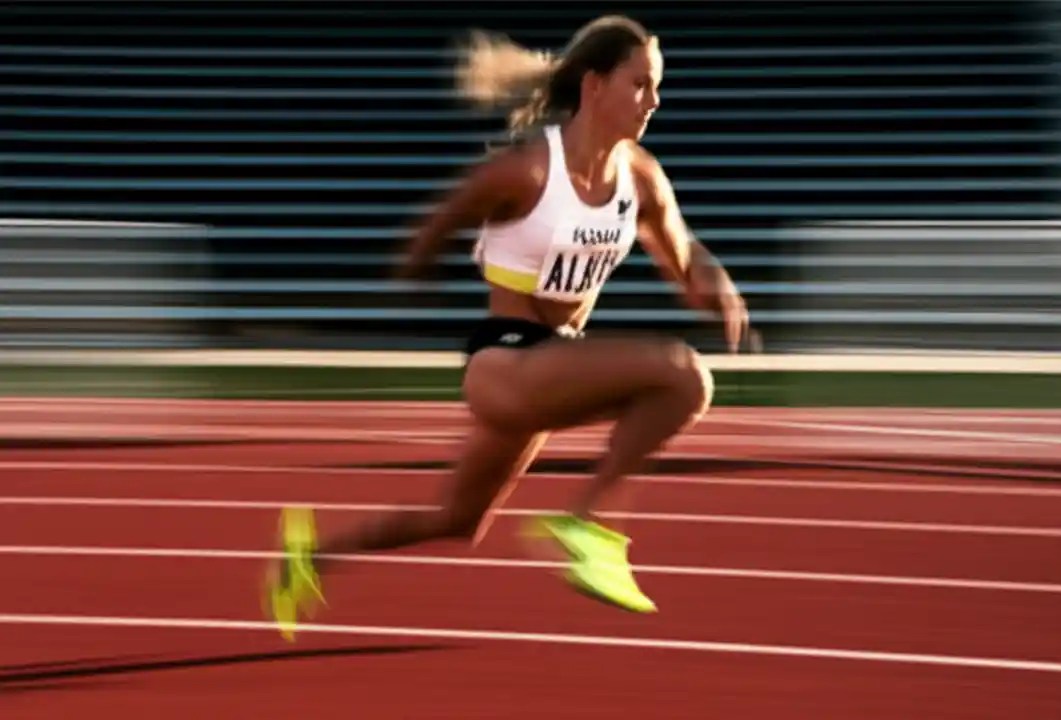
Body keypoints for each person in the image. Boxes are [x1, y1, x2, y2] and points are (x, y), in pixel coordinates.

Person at [265, 14, 751, 639]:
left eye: (658, 88)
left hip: (556, 364)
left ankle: (309, 556)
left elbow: (685, 260)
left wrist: (720, 290)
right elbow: (445, 216)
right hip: (507, 362)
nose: (654, 101)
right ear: (595, 85)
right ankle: (587, 524)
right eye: (641, 84)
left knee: (457, 519)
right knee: (683, 377)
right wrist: (418, 266)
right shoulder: (526, 170)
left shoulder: (642, 180)